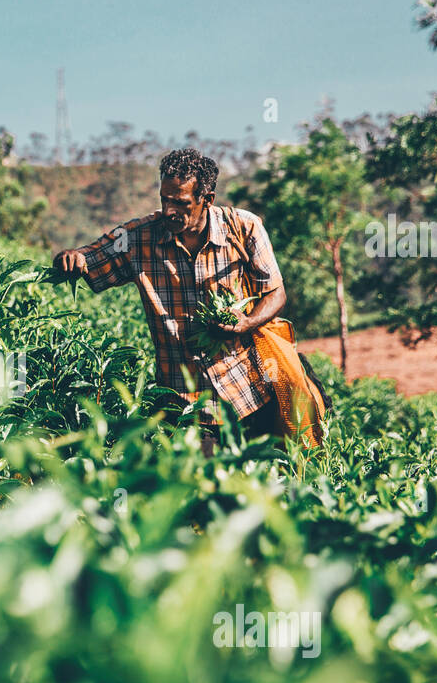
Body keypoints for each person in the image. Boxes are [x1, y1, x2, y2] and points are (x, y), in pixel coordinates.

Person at [52, 148, 287, 457]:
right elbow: (88, 257)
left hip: (250, 393)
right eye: (165, 199)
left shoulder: (244, 228)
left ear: (207, 199)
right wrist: (70, 258)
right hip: (186, 407)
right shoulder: (139, 239)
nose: (169, 211)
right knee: (201, 493)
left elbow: (274, 292)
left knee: (268, 490)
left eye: (181, 203)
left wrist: (246, 323)